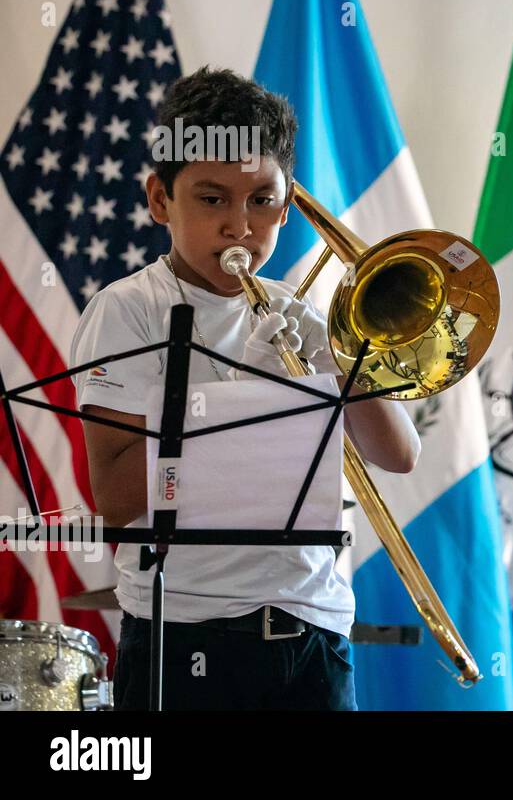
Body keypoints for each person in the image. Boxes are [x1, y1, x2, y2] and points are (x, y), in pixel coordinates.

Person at [69, 66, 421, 710]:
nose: (239, 226)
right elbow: (117, 502)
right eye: (211, 198)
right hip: (185, 634)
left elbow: (398, 455)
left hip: (313, 631)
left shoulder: (302, 314)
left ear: (286, 210)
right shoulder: (129, 311)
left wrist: (338, 354)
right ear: (158, 201)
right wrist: (247, 393)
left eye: (262, 200)